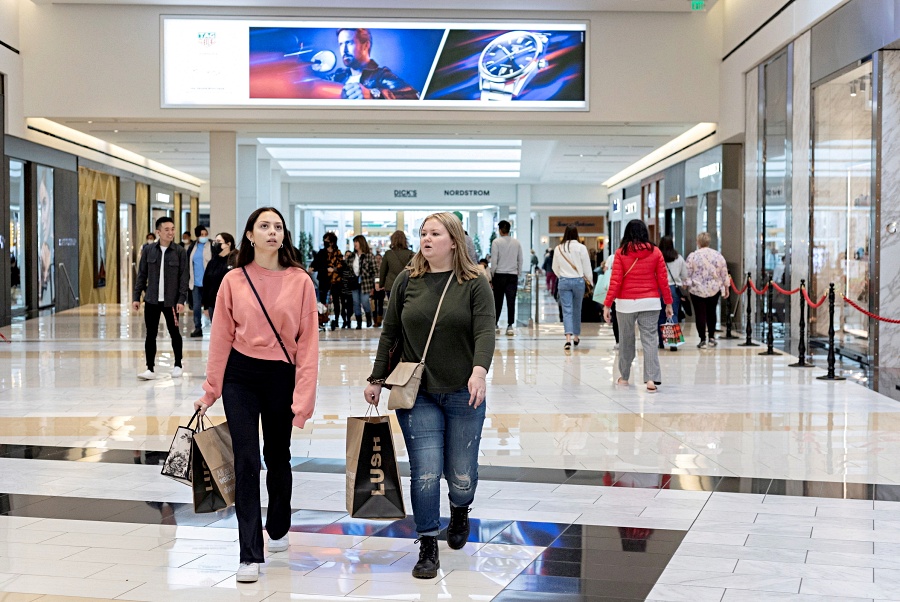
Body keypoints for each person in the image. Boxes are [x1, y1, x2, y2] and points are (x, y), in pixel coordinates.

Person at [363, 212, 495, 580]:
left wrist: (479, 371)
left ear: (454, 241)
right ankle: (427, 542)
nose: (427, 238)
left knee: (461, 474)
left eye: (435, 233)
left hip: (462, 392)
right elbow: (389, 334)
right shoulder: (408, 280)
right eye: (423, 232)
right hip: (416, 392)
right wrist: (376, 378)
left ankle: (459, 508)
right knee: (424, 471)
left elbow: (485, 330)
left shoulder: (474, 282)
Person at [193, 207, 318, 584]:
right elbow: (221, 337)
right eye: (264, 226)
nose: (272, 232)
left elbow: (308, 344)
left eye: (278, 227)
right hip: (240, 377)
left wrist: (304, 396)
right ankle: (249, 553)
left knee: (277, 455)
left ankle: (278, 524)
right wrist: (211, 388)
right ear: (249, 235)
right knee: (246, 459)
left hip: (281, 374)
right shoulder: (234, 280)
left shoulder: (300, 281)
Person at [602, 219, 672, 392]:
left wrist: (607, 304)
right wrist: (668, 302)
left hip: (625, 303)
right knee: (649, 340)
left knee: (626, 340)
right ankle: (651, 379)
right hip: (650, 302)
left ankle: (624, 377)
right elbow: (663, 279)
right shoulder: (655, 252)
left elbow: (615, 281)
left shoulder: (621, 253)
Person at [132, 216, 189, 381]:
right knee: (151, 334)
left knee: (174, 333)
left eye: (172, 229)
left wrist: (181, 299)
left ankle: (178, 364)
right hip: (151, 300)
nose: (171, 232)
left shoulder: (179, 251)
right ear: (158, 232)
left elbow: (184, 277)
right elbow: (142, 275)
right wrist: (137, 297)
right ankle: (150, 368)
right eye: (167, 229)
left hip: (171, 301)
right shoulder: (149, 250)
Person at [326, 28, 419, 100]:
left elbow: (414, 95)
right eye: (341, 44)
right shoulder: (337, 76)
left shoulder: (381, 75)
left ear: (366, 45)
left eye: (349, 43)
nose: (344, 50)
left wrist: (372, 94)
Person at [685, 232, 729, 349]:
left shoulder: (693, 256)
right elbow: (724, 272)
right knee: (711, 312)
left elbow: (687, 273)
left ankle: (702, 339)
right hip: (714, 288)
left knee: (700, 314)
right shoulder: (717, 255)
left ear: (698, 242)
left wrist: (686, 285)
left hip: (697, 289)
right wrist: (726, 287)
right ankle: (712, 337)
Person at [552, 225, 593, 351]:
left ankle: (568, 339)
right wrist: (590, 281)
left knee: (567, 310)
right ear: (576, 234)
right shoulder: (581, 248)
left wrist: (562, 276)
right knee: (577, 309)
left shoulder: (558, 248)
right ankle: (576, 337)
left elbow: (555, 267)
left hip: (564, 281)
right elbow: (586, 267)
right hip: (578, 281)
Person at [490, 220, 523, 336]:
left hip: (499, 274)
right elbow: (520, 259)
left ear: (500, 230)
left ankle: (495, 324)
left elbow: (494, 260)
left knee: (497, 301)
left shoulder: (496, 242)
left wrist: (492, 274)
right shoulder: (516, 243)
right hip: (512, 275)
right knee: (511, 301)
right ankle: (510, 326)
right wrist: (518, 273)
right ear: (509, 230)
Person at [657, 235, 688, 352]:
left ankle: (661, 342)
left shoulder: (658, 257)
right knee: (673, 314)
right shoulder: (678, 258)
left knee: (660, 316)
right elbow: (685, 275)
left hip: (659, 289)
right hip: (674, 289)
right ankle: (673, 343)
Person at [201, 232, 238, 323]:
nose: (215, 244)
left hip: (231, 303)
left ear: (228, 244)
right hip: (213, 302)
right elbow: (206, 283)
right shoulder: (213, 261)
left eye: (218, 241)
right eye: (215, 241)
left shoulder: (236, 260)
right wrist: (206, 305)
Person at [311, 232, 344, 331]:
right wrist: (324, 269)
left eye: (327, 240)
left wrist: (333, 269)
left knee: (336, 300)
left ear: (332, 242)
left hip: (336, 281)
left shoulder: (338, 253)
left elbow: (341, 266)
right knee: (322, 300)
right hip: (324, 280)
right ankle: (322, 319)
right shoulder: (321, 253)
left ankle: (337, 320)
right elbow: (316, 264)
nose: (325, 242)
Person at [187, 225, 211, 338]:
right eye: (202, 235)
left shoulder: (211, 246)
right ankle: (198, 327)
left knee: (210, 307)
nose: (204, 237)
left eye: (205, 234)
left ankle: (216, 329)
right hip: (196, 282)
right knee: (196, 307)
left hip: (208, 283)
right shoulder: (192, 248)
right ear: (197, 236)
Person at [379, 230, 415, 303]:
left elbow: (383, 270)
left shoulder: (388, 254)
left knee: (393, 308)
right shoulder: (410, 254)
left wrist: (381, 284)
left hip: (391, 285)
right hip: (406, 285)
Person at [350, 235, 377, 329]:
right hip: (354, 282)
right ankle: (359, 323)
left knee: (365, 301)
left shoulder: (369, 256)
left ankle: (369, 317)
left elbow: (375, 271)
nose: (354, 244)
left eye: (356, 242)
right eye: (354, 242)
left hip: (366, 283)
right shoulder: (352, 256)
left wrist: (375, 284)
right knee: (355, 302)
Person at [340, 250, 357, 328]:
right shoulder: (342, 265)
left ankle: (349, 319)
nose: (348, 257)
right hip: (343, 288)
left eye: (349, 255)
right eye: (346, 255)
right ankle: (344, 320)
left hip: (350, 289)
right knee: (343, 306)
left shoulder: (353, 265)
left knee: (350, 306)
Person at [372, 252, 385, 327]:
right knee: (373, 304)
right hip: (373, 287)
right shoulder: (373, 268)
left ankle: (379, 320)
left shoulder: (383, 268)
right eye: (376, 258)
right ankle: (375, 320)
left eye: (379, 259)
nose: (378, 260)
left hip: (381, 288)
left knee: (380, 304)